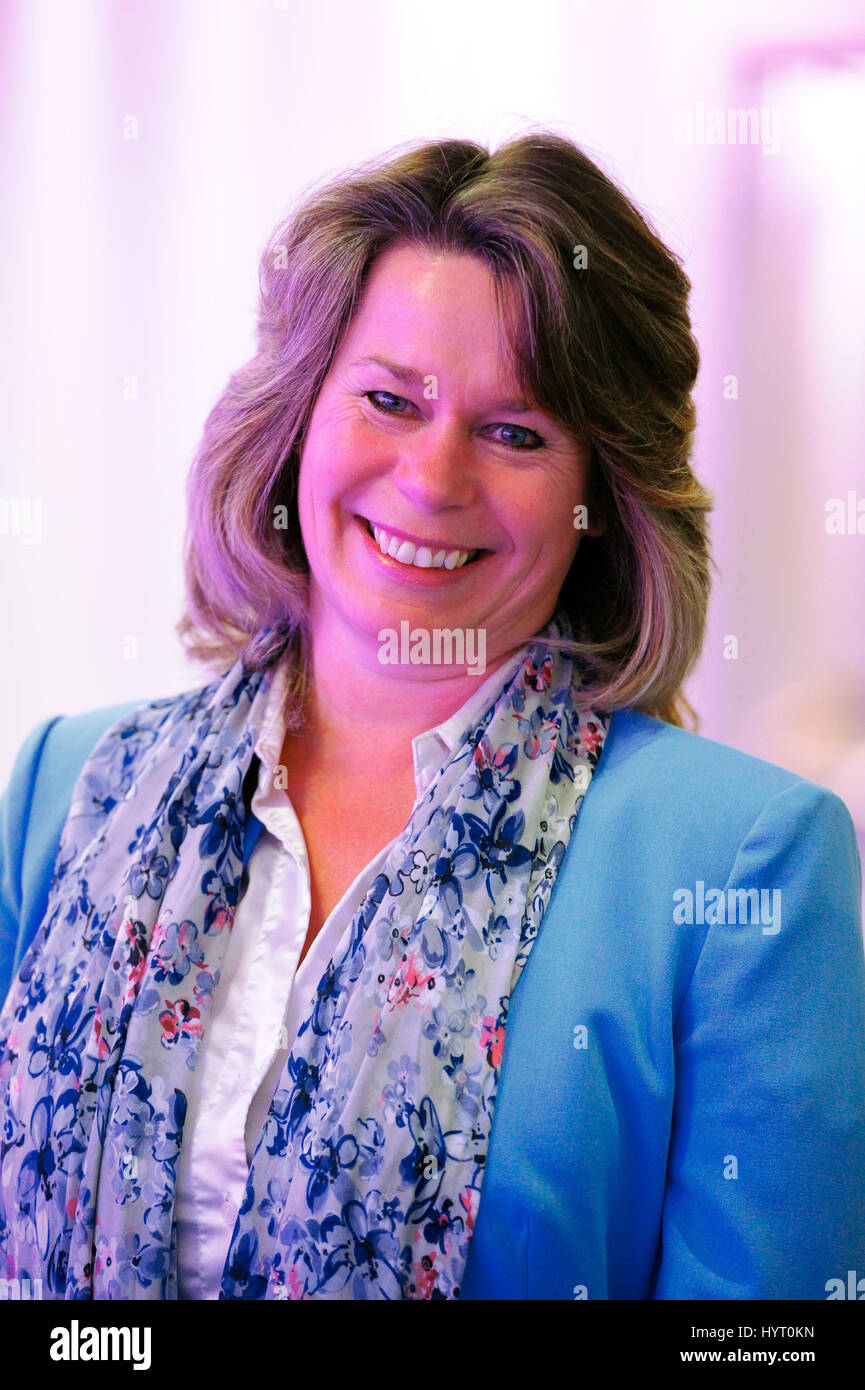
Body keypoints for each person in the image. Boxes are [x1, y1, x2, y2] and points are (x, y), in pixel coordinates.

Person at [1, 131, 863, 1302]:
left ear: (600, 496)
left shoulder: (745, 858)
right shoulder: (68, 783)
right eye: (388, 399)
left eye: (515, 432)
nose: (433, 477)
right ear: (297, 416)